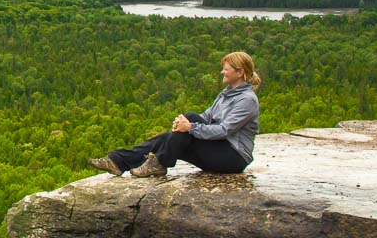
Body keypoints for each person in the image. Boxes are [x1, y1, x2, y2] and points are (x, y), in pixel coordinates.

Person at [90, 51, 261, 179]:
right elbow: (206, 116)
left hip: (233, 157)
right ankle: (118, 161)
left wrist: (190, 127)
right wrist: (183, 125)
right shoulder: (227, 93)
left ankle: (153, 163)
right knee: (172, 135)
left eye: (226, 69)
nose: (222, 72)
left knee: (188, 122)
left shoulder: (247, 100)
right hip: (219, 150)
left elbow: (224, 130)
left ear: (239, 72)